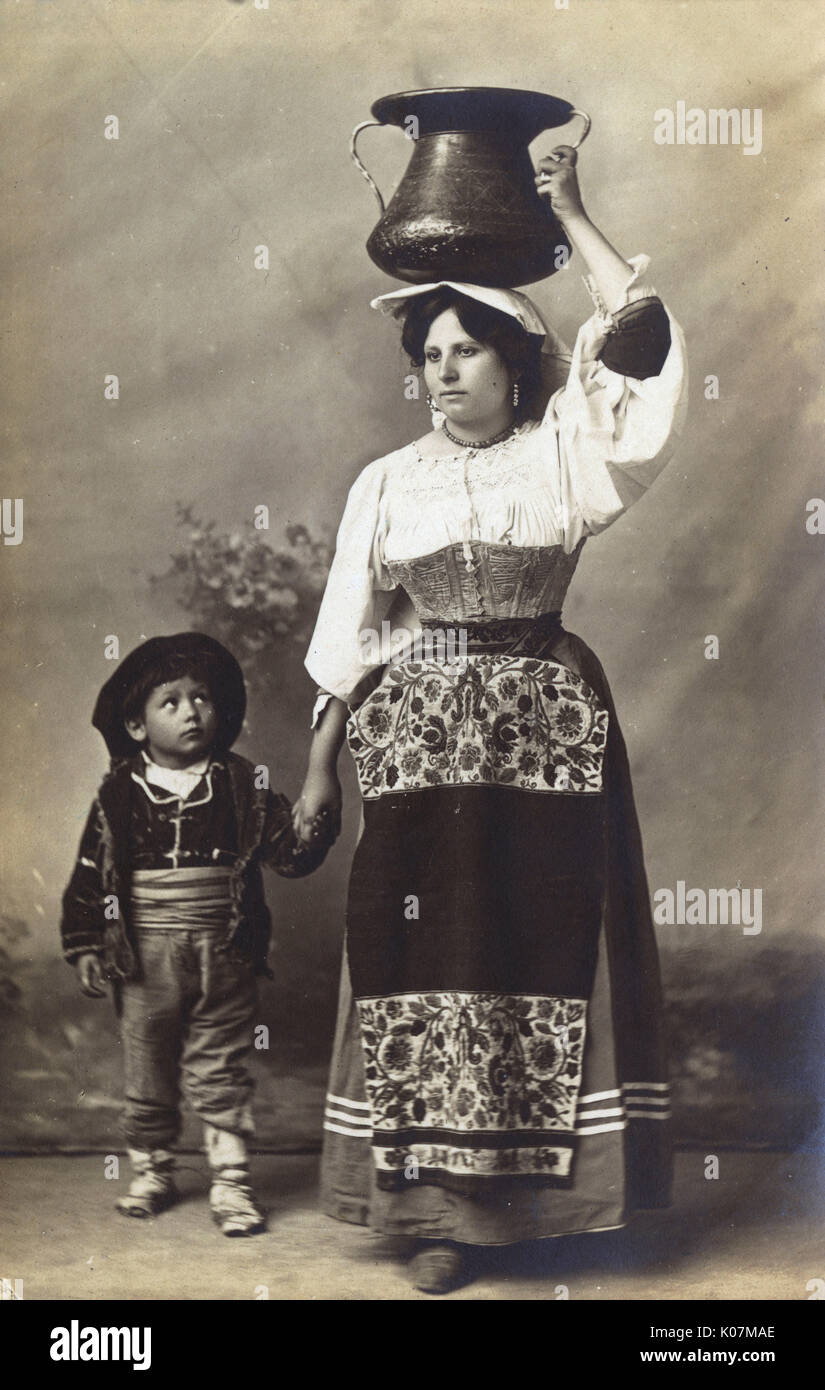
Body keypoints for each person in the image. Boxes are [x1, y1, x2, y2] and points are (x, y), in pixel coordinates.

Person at [294, 145, 688, 1292]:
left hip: (546, 729)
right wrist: (319, 773)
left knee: (543, 946)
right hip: (415, 744)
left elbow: (643, 345)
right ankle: (436, 1218)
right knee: (427, 954)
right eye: (429, 354)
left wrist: (573, 213)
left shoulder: (563, 451)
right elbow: (347, 640)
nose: (442, 371)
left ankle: (551, 1211)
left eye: (467, 351)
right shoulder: (387, 482)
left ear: (516, 365)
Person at [60, 632, 333, 1236]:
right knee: (148, 1062)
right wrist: (85, 943)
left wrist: (314, 814)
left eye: (203, 699)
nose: (191, 711)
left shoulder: (241, 784)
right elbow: (90, 872)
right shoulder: (118, 793)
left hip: (224, 952)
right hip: (144, 957)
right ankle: (153, 1168)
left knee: (221, 1064)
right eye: (172, 702)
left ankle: (232, 1180)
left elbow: (288, 854)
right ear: (136, 725)